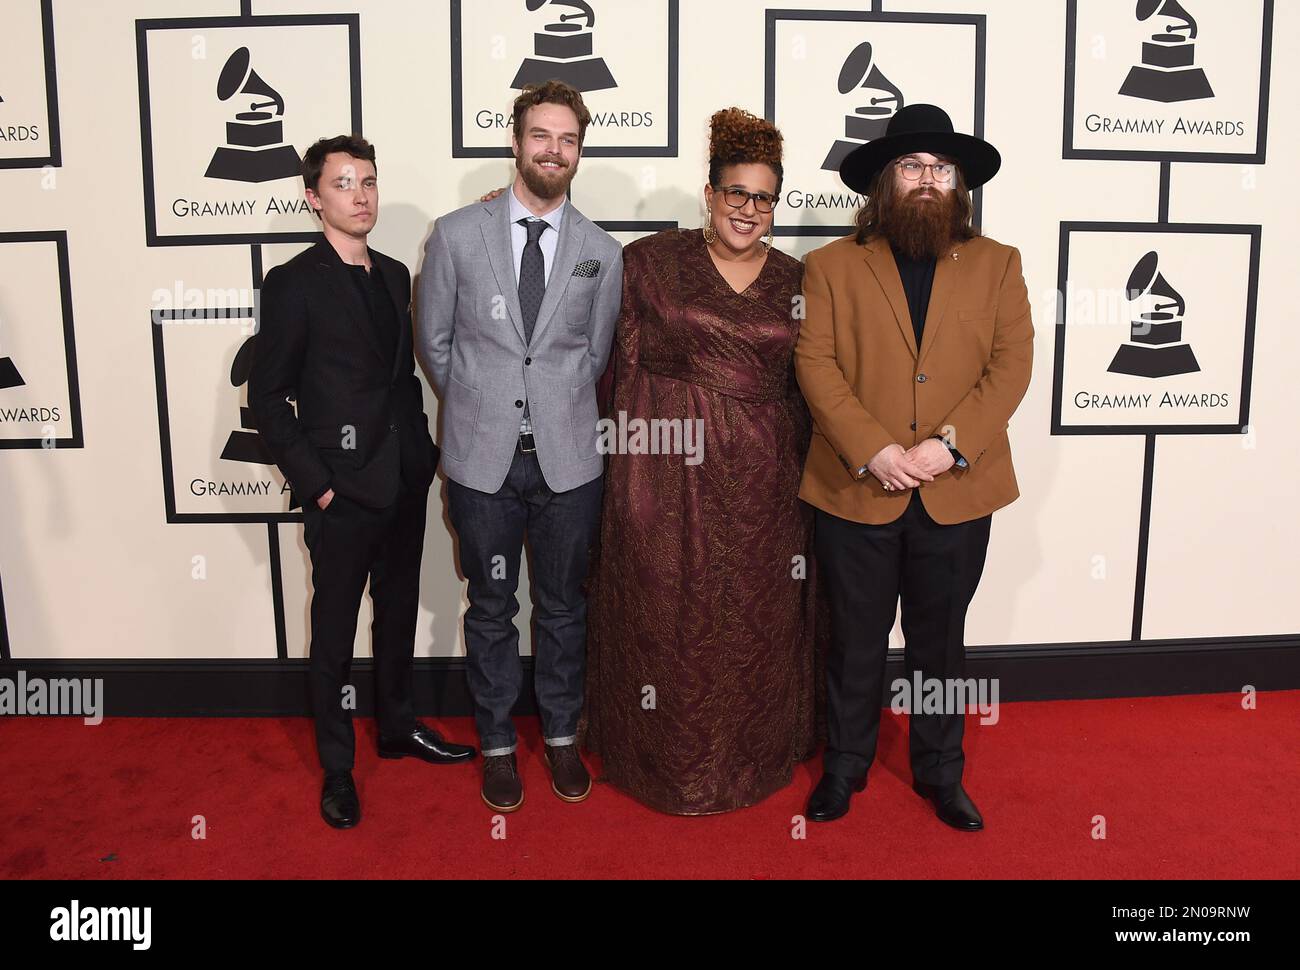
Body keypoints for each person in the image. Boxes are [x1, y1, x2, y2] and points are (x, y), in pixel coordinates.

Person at [795, 104, 1034, 828]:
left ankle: (940, 771)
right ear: (883, 182)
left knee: (942, 646)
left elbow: (1011, 365)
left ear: (958, 183)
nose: (928, 179)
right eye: (912, 166)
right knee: (854, 639)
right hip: (856, 489)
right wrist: (874, 449)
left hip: (957, 491)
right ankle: (844, 766)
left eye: (941, 168)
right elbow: (816, 362)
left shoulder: (999, 263)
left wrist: (951, 443)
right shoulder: (830, 265)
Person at [581, 108, 824, 815]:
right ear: (710, 194)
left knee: (754, 619)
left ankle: (749, 761)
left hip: (765, 491)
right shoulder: (651, 262)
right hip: (664, 475)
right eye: (736, 193)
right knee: (667, 615)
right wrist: (621, 474)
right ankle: (659, 763)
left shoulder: (799, 280)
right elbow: (614, 370)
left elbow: (810, 389)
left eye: (763, 198)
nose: (748, 210)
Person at [250, 135, 475, 831]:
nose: (361, 195)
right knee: (334, 635)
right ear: (314, 197)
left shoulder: (390, 274)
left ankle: (398, 727)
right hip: (341, 494)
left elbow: (398, 379)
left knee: (399, 614)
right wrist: (318, 484)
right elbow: (266, 398)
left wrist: (421, 456)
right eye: (344, 183)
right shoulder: (293, 281)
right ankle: (338, 766)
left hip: (402, 480)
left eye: (369, 181)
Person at [417, 81, 623, 813]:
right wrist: (487, 410)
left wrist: (545, 409)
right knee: (490, 607)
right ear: (515, 141)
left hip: (569, 464)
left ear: (578, 151)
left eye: (567, 140)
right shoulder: (453, 235)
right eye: (541, 135)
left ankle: (562, 737)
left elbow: (592, 358)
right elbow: (436, 347)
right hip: (482, 464)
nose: (553, 151)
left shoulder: (602, 251)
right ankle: (499, 745)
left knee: (565, 608)